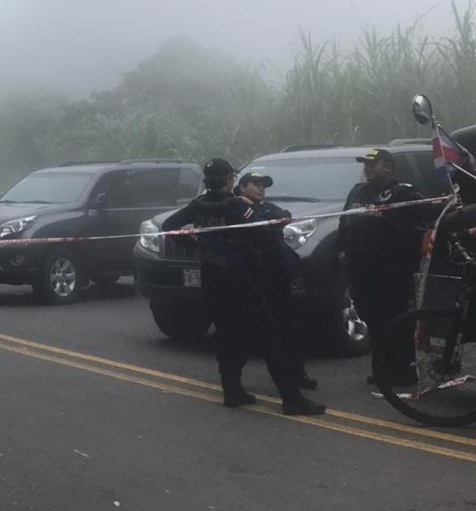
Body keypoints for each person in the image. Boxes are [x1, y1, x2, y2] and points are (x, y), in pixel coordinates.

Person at [164, 158, 325, 415]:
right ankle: (291, 398)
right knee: (270, 337)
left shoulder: (198, 205)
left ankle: (232, 391)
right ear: (230, 178)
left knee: (227, 335)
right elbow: (262, 232)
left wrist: (198, 246)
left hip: (213, 279)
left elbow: (168, 227)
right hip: (242, 280)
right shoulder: (236, 205)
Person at [338, 148, 426, 387]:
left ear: (388, 167)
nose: (367, 168)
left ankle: (405, 370)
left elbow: (420, 227)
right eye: (365, 164)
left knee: (395, 320)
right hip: (360, 269)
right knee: (372, 319)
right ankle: (383, 368)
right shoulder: (358, 192)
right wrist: (341, 250)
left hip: (391, 271)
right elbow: (344, 222)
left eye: (372, 164)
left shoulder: (404, 194)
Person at [236, 171, 318, 390]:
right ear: (242, 187)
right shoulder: (235, 207)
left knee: (286, 327)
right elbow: (257, 229)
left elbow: (285, 216)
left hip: (275, 275)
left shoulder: (267, 207)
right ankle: (234, 385)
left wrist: (265, 220)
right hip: (251, 277)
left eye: (264, 185)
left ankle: (297, 374)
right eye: (256, 184)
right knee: (250, 331)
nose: (261, 189)